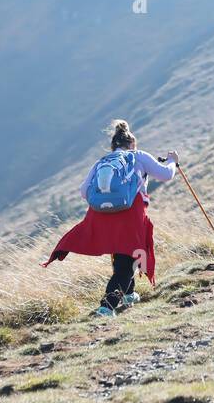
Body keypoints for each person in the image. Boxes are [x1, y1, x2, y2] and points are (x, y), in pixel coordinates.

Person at [44, 120, 178, 316]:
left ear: (113, 146)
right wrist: (173, 161)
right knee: (127, 260)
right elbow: (166, 175)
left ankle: (129, 295)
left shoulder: (102, 162)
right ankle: (107, 306)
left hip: (101, 215)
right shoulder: (138, 156)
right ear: (132, 144)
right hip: (131, 214)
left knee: (121, 252)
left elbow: (83, 191)